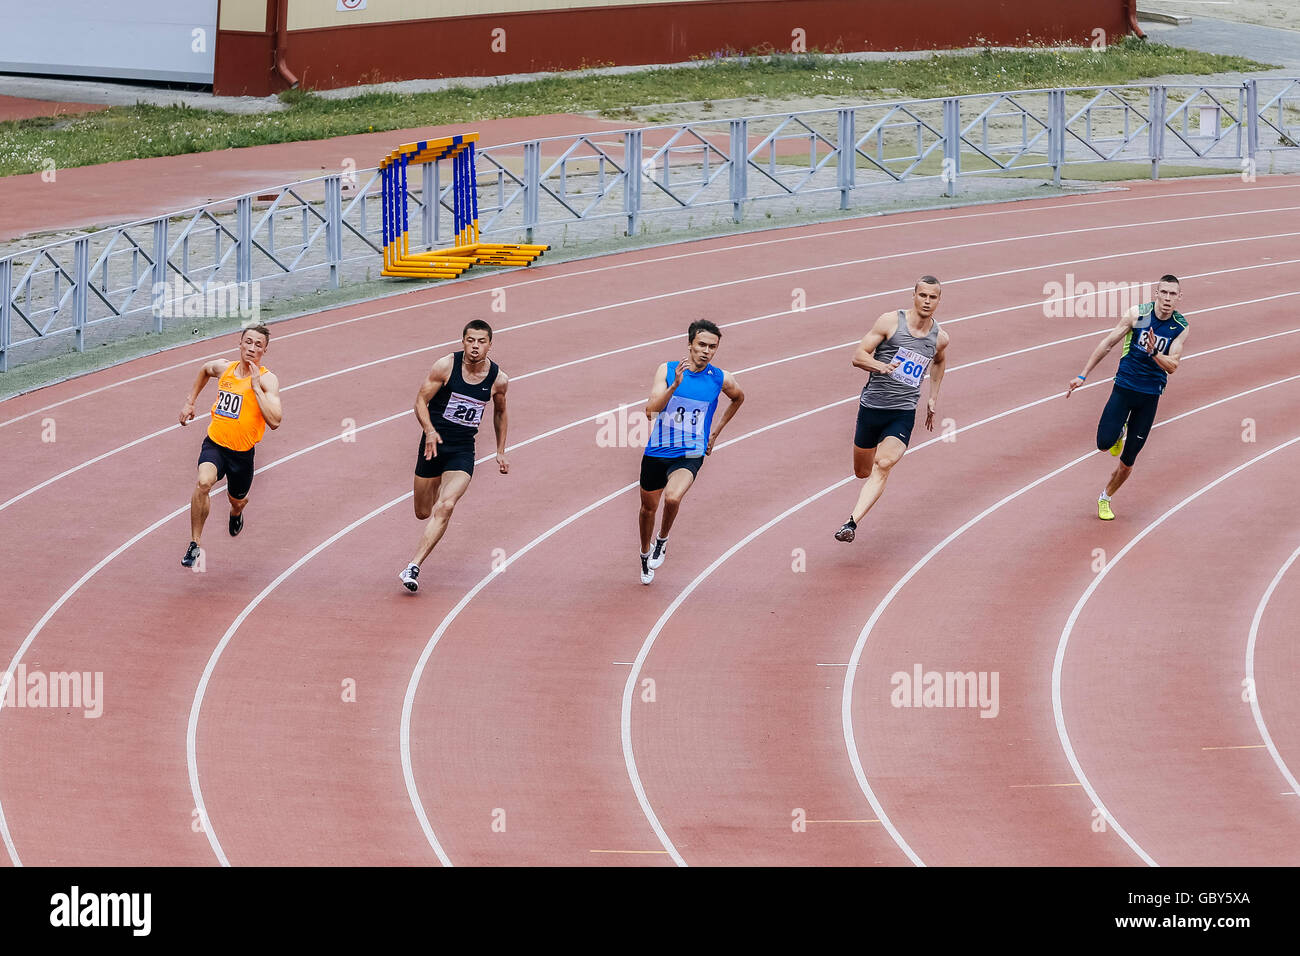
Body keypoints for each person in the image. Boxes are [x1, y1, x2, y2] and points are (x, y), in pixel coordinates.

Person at [834, 276, 950, 542]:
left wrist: (933, 397)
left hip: (902, 412)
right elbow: (858, 356)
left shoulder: (939, 338)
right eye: (923, 295)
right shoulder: (890, 322)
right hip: (872, 407)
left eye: (933, 297)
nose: (927, 301)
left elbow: (940, 362)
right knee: (862, 472)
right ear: (914, 295)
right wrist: (880, 366)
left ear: (939, 301)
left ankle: (850, 524)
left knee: (883, 464)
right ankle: (860, 491)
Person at [1066, 274, 1188, 520]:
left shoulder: (1181, 326)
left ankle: (1105, 498)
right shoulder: (1138, 314)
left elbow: (1173, 366)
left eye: (1172, 294)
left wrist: (1154, 352)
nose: (1167, 298)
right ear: (1156, 293)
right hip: (1124, 387)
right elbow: (1108, 343)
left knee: (1128, 461)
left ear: (1179, 297)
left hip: (1150, 396)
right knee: (1103, 444)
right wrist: (1082, 375)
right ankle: (1118, 432)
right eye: (1163, 292)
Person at [399, 320, 509, 592]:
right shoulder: (445, 366)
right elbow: (420, 401)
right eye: (470, 340)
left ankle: (413, 566)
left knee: (446, 506)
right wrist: (429, 430)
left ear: (490, 345)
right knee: (423, 512)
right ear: (463, 341)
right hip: (432, 446)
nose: (475, 346)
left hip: (462, 451)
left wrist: (500, 450)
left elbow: (500, 412)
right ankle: (435, 491)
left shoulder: (498, 379)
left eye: (481, 341)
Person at [637, 319, 744, 584]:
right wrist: (674, 386)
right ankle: (644, 552)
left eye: (712, 347)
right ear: (690, 345)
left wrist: (716, 432)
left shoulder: (720, 378)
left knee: (672, 498)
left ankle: (662, 540)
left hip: (690, 453)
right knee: (647, 509)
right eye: (702, 345)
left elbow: (739, 397)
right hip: (657, 451)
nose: (707, 351)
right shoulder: (668, 370)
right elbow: (650, 411)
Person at [179, 324, 283, 567]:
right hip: (215, 444)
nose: (251, 347)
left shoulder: (268, 380)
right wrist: (190, 402)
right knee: (203, 482)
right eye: (248, 342)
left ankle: (236, 512)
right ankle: (195, 544)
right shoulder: (225, 368)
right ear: (240, 344)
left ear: (264, 351)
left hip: (242, 454)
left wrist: (256, 388)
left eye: (258, 345)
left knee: (237, 500)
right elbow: (205, 369)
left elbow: (275, 421)